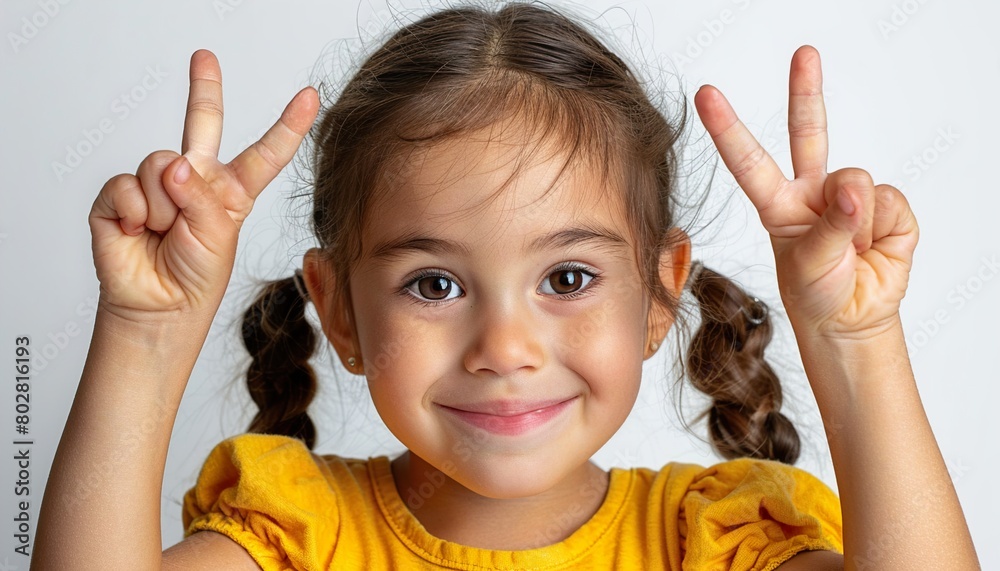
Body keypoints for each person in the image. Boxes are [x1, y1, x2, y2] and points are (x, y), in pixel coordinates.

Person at [33, 2, 979, 570]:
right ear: (340, 312)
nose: (504, 347)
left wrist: (855, 344)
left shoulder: (712, 542)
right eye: (434, 283)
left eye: (567, 276)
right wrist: (144, 332)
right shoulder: (300, 535)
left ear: (659, 296)